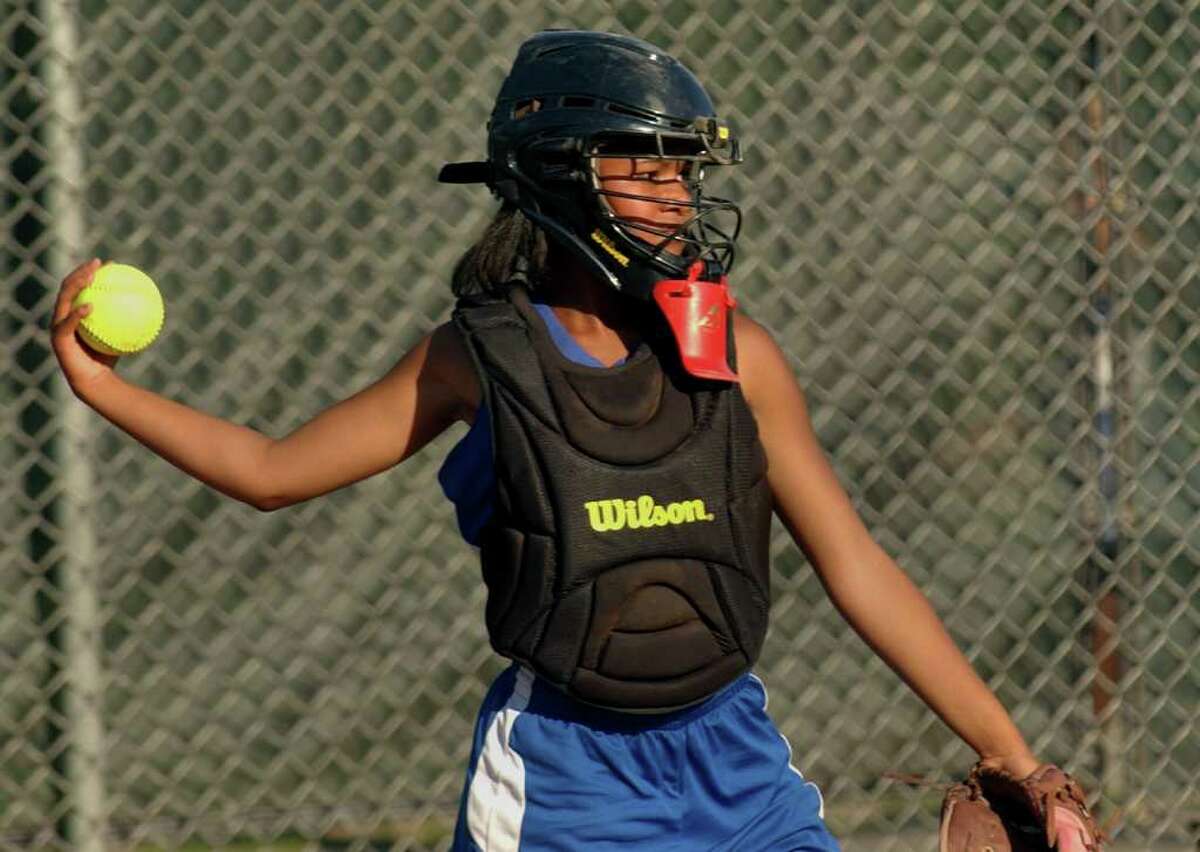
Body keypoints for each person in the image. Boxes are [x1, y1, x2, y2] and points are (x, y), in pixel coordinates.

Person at [50, 29, 1098, 852]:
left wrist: (1014, 760)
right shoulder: (482, 356)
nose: (680, 195)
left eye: (685, 171)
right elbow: (270, 472)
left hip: (733, 763)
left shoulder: (736, 352)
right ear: (559, 176)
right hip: (565, 780)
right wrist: (104, 391)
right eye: (646, 169)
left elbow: (856, 565)